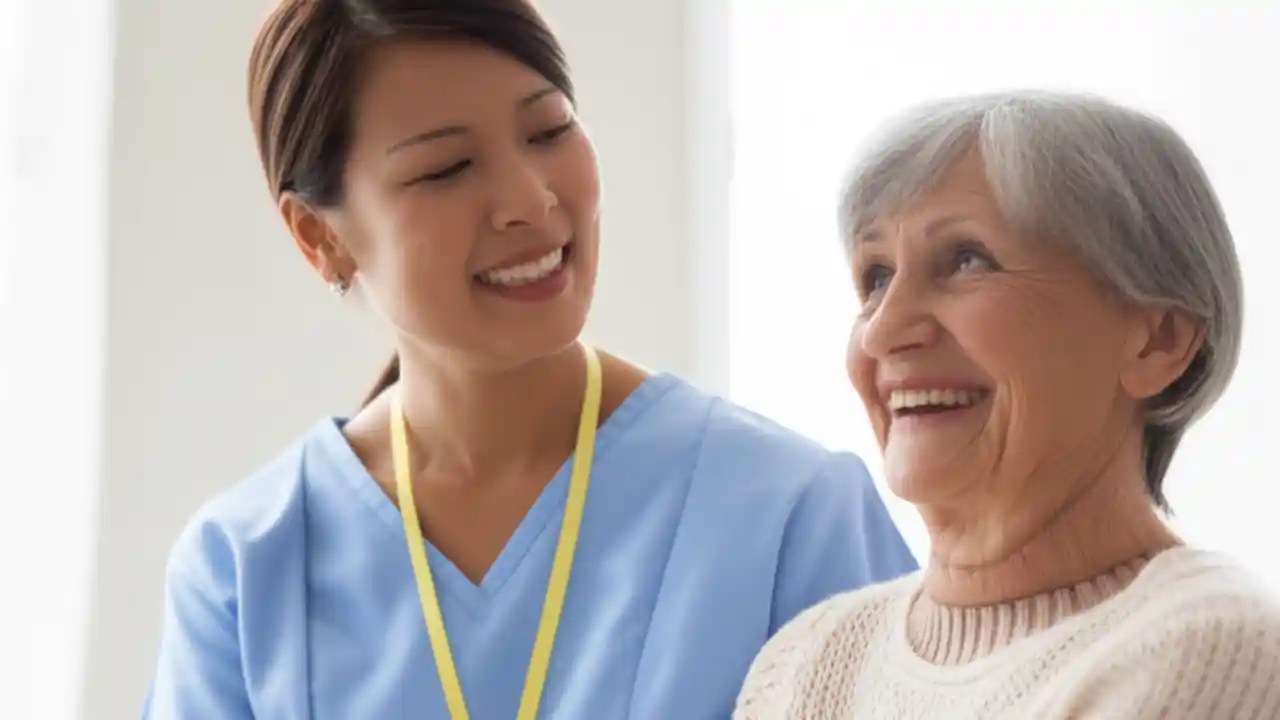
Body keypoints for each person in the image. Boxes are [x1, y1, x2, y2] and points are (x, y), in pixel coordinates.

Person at [141, 1, 917, 717]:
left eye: (549, 131)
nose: (530, 199)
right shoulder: (244, 574)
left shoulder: (789, 516)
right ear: (320, 236)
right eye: (445, 169)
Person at [734, 91, 1280, 719]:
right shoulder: (806, 661)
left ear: (1160, 340)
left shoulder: (1209, 652)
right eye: (877, 276)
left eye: (967, 260)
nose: (884, 331)